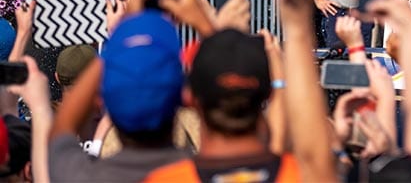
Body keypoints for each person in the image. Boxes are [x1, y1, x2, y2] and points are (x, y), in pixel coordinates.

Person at [144, 29, 302, 181]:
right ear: (268, 93)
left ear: (189, 97)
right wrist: (280, 81)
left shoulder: (164, 179)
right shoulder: (305, 175)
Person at [48, 10, 188, 181]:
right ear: (183, 98)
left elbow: (60, 130)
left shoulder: (81, 176)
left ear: (102, 102)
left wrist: (115, 46)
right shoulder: (206, 175)